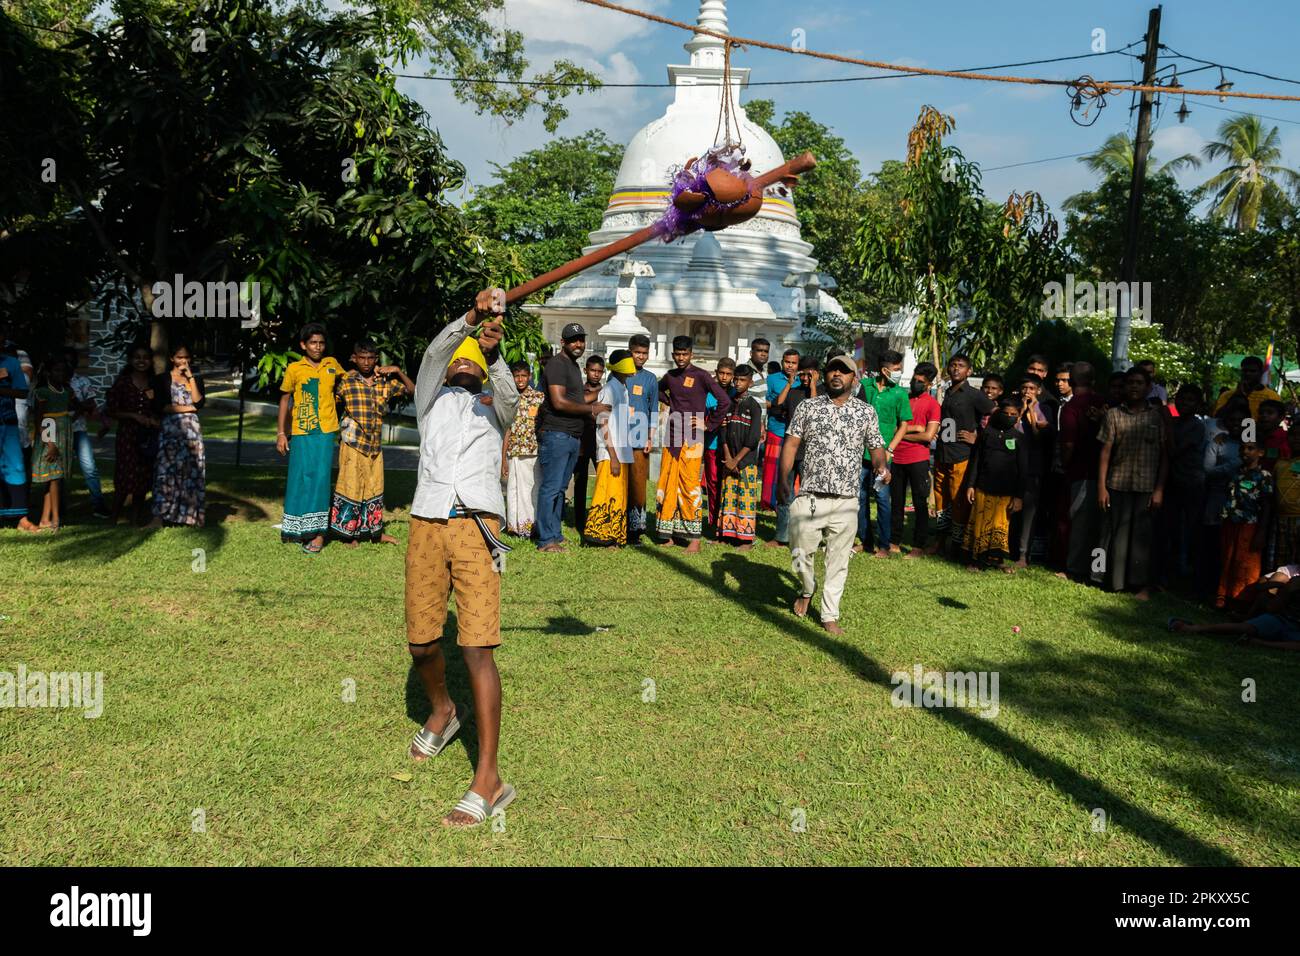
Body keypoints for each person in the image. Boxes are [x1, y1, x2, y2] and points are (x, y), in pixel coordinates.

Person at [404, 288, 519, 828]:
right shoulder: (429, 401)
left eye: (477, 362)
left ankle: (489, 778)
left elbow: (512, 398)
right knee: (422, 641)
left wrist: (494, 351)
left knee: (477, 647)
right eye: (462, 361)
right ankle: (443, 709)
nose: (466, 366)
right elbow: (431, 355)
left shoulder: (496, 408)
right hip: (427, 520)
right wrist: (471, 318)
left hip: (477, 524)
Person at [780, 353, 886, 635]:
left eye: (844, 371)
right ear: (824, 376)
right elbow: (790, 445)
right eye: (832, 370)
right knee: (799, 551)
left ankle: (829, 614)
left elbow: (876, 447)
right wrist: (783, 480)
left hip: (846, 499)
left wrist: (881, 466)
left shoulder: (865, 412)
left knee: (838, 561)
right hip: (810, 495)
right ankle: (806, 587)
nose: (837, 374)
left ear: (854, 378)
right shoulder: (808, 407)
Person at [330, 340, 413, 546]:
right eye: (362, 358)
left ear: (376, 360)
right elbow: (328, 401)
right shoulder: (346, 381)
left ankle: (375, 533)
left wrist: (397, 370)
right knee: (351, 486)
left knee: (374, 486)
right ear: (354, 358)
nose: (366, 363)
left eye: (370, 358)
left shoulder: (385, 383)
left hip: (374, 446)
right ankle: (349, 534)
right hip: (352, 444)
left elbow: (413, 391)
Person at [1095, 367, 1168, 600]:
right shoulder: (1113, 414)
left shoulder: (1157, 416)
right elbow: (1105, 453)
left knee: (1142, 538)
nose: (1134, 387)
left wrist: (1159, 490)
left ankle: (1139, 584)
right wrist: (1101, 487)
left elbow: (1166, 455)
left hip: (1147, 486)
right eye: (1130, 383)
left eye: (1139, 383)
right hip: (1117, 483)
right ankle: (1115, 582)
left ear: (1148, 387)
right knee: (1118, 535)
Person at [535, 323, 606, 553]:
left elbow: (578, 398)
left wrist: (606, 391)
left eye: (581, 340)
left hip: (571, 436)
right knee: (551, 487)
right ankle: (546, 540)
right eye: (574, 340)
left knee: (561, 488)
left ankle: (555, 533)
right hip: (556, 433)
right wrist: (592, 410)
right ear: (563, 343)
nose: (579, 344)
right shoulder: (557, 365)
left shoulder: (573, 366)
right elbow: (559, 402)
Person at [656, 335, 730, 552]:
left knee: (689, 486)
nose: (680, 358)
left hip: (692, 437)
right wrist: (669, 402)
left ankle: (694, 539)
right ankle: (669, 534)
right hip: (672, 435)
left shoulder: (701, 375)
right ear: (672, 355)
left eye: (684, 354)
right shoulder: (670, 376)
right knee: (668, 483)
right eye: (677, 354)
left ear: (691, 354)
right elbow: (658, 390)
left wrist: (709, 424)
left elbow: (723, 401)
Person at [277, 325, 342, 551]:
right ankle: (295, 528)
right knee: (300, 478)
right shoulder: (295, 369)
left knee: (321, 479)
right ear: (303, 345)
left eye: (321, 343)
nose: (318, 347)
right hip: (302, 431)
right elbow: (285, 400)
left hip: (325, 432)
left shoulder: (332, 365)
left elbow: (348, 383)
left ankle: (317, 534)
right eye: (313, 343)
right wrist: (281, 433)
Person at [928, 354, 995, 558]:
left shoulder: (974, 394)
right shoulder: (947, 391)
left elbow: (996, 414)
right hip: (942, 453)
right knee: (941, 499)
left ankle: (958, 546)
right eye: (953, 365)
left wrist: (978, 436)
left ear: (969, 371)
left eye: (961, 366)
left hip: (962, 455)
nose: (956, 369)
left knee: (959, 501)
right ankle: (940, 542)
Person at [960, 394, 1028, 571]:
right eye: (1006, 413)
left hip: (1006, 493)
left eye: (1014, 414)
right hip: (983, 488)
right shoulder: (987, 434)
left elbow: (1023, 470)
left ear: (1019, 416)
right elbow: (976, 461)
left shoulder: (1019, 438)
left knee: (1001, 527)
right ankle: (975, 560)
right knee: (979, 524)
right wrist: (970, 486)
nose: (1009, 417)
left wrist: (1019, 497)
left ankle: (997, 561)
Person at [857, 349, 912, 557]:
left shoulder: (899, 393)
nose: (899, 372)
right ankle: (865, 541)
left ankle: (885, 544)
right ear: (884, 370)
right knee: (860, 499)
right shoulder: (865, 386)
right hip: (861, 454)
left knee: (882, 499)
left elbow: (904, 424)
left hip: (883, 457)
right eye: (896, 369)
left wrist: (890, 450)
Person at [1058, 361, 1107, 582]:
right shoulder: (1106, 403)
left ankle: (1075, 569)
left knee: (1079, 523)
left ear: (1072, 381)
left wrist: (1065, 465)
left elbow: (1068, 444)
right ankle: (1098, 572)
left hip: (1082, 471)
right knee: (1101, 528)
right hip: (1108, 475)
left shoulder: (1072, 407)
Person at [148, 344, 206, 529]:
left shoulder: (195, 378)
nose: (184, 361)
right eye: (180, 357)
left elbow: (199, 401)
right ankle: (160, 517)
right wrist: (189, 408)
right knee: (165, 472)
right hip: (170, 430)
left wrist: (191, 378)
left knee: (191, 472)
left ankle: (191, 516)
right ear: (172, 358)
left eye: (187, 357)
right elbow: (162, 406)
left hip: (192, 433)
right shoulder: (162, 379)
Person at [583, 349, 635, 547]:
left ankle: (615, 535)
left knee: (619, 495)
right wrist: (613, 456)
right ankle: (598, 535)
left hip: (622, 452)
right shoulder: (609, 389)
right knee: (607, 493)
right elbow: (603, 423)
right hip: (610, 453)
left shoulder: (623, 388)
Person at [104, 344, 160, 525]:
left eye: (145, 358)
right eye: (137, 357)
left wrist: (152, 419)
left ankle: (135, 517)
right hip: (127, 435)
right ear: (130, 360)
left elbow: (159, 408)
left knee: (143, 476)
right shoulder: (123, 382)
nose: (141, 361)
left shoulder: (155, 383)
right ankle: (114, 516)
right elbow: (112, 411)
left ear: (151, 361)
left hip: (148, 436)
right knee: (124, 474)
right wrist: (133, 416)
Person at [1213, 440, 1272, 608]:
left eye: (1251, 448)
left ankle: (1243, 600)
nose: (1245, 451)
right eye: (1242, 448)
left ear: (1261, 452)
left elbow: (1267, 505)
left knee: (1246, 563)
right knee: (1227, 558)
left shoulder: (1264, 476)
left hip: (1250, 525)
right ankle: (1223, 595)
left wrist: (1261, 532)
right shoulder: (1235, 473)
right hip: (1230, 522)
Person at [1168, 576, 1300, 650]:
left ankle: (1259, 643)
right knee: (1245, 627)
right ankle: (1193, 628)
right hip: (1282, 620)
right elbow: (1272, 608)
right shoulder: (1295, 582)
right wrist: (1287, 590)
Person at [1201, 397, 1248, 594]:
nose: (1236, 424)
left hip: (1243, 502)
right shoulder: (1218, 441)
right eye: (1232, 420)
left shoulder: (1250, 444)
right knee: (1212, 542)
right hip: (1217, 496)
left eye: (1241, 421)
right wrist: (1233, 466)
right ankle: (1207, 585)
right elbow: (1208, 470)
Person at [894, 361, 940, 557]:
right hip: (897, 457)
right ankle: (893, 541)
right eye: (914, 379)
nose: (915, 383)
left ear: (929, 385)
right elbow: (893, 428)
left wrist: (901, 433)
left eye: (920, 381)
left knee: (920, 503)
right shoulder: (904, 398)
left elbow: (928, 436)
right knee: (896, 502)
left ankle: (918, 545)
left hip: (918, 459)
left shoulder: (933, 404)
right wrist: (915, 428)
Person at [716, 364, 764, 550]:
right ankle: (726, 534)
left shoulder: (753, 406)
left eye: (742, 380)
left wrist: (737, 461)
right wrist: (728, 458)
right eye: (736, 379)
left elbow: (753, 439)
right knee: (728, 497)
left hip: (746, 462)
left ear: (750, 382)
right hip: (729, 460)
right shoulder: (729, 403)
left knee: (745, 499)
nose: (737, 382)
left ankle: (746, 540)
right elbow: (723, 432)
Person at [1162, 383, 1207, 582]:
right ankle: (1171, 569)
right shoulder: (1176, 422)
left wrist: (1168, 425)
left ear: (1198, 405)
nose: (1184, 403)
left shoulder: (1197, 426)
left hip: (1191, 484)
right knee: (1171, 528)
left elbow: (1174, 451)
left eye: (1190, 400)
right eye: (1181, 398)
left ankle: (1183, 572)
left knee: (1187, 530)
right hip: (1172, 482)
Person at [26, 356, 74, 532]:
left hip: (63, 437)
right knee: (54, 478)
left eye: (63, 371)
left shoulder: (66, 391)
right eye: (56, 370)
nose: (60, 374)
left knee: (55, 478)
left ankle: (44, 519)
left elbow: (74, 409)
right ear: (48, 372)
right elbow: (39, 420)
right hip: (50, 436)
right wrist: (50, 444)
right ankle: (55, 518)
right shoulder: (43, 392)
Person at [64, 347, 110, 519]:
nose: (67, 365)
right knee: (59, 470)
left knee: (89, 467)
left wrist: (79, 406)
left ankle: (98, 504)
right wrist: (80, 406)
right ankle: (58, 506)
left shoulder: (82, 381)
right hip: (59, 431)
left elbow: (90, 405)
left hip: (78, 430)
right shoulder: (52, 382)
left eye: (70, 361)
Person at [625, 334, 659, 545]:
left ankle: (635, 530)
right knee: (621, 484)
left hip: (640, 441)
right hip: (620, 440)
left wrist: (650, 437)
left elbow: (653, 409)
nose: (641, 356)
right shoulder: (619, 375)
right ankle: (617, 525)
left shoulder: (650, 379)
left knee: (638, 485)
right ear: (630, 352)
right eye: (637, 352)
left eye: (644, 353)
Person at [503, 360, 544, 538]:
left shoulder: (538, 397)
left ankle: (531, 525)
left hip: (533, 450)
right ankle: (514, 525)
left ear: (529, 376)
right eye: (516, 376)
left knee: (531, 488)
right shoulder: (508, 399)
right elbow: (506, 428)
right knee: (513, 488)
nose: (520, 380)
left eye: (523, 376)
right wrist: (503, 455)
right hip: (514, 450)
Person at [761, 348, 800, 513]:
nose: (790, 366)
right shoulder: (772, 379)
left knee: (790, 468)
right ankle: (769, 503)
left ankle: (789, 501)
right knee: (772, 467)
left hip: (796, 433)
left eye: (793, 363)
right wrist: (777, 405)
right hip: (776, 428)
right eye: (787, 362)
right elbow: (764, 402)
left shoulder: (802, 380)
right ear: (782, 361)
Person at [572, 353, 605, 535]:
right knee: (580, 482)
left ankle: (599, 517)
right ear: (586, 371)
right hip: (581, 445)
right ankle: (579, 520)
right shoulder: (579, 391)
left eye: (599, 371)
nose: (596, 374)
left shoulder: (607, 391)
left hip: (600, 444)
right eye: (593, 370)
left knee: (601, 481)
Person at [703, 357, 736, 532]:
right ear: (716, 373)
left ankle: (728, 520)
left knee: (729, 484)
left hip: (732, 446)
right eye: (721, 373)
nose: (724, 377)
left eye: (728, 374)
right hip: (712, 445)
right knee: (713, 483)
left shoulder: (735, 394)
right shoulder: (708, 394)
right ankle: (713, 521)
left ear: (733, 376)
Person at [0, 339, 31, 528]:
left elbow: (22, 393)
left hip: (8, 423)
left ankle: (21, 518)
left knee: (16, 468)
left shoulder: (11, 363)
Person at [1213, 355, 1281, 421]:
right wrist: (1236, 396)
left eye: (1252, 371)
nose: (1248, 373)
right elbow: (1217, 418)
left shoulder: (1271, 396)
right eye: (1245, 371)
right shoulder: (1227, 395)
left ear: (1261, 373)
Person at [1273, 424, 1300, 568]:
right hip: (1281, 519)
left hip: (1298, 518)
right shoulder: (1280, 464)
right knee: (1282, 559)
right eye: (1293, 434)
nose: (1296, 438)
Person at [746, 338, 770, 407]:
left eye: (766, 351)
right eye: (759, 351)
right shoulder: (745, 371)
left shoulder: (765, 372)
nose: (763, 354)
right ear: (751, 353)